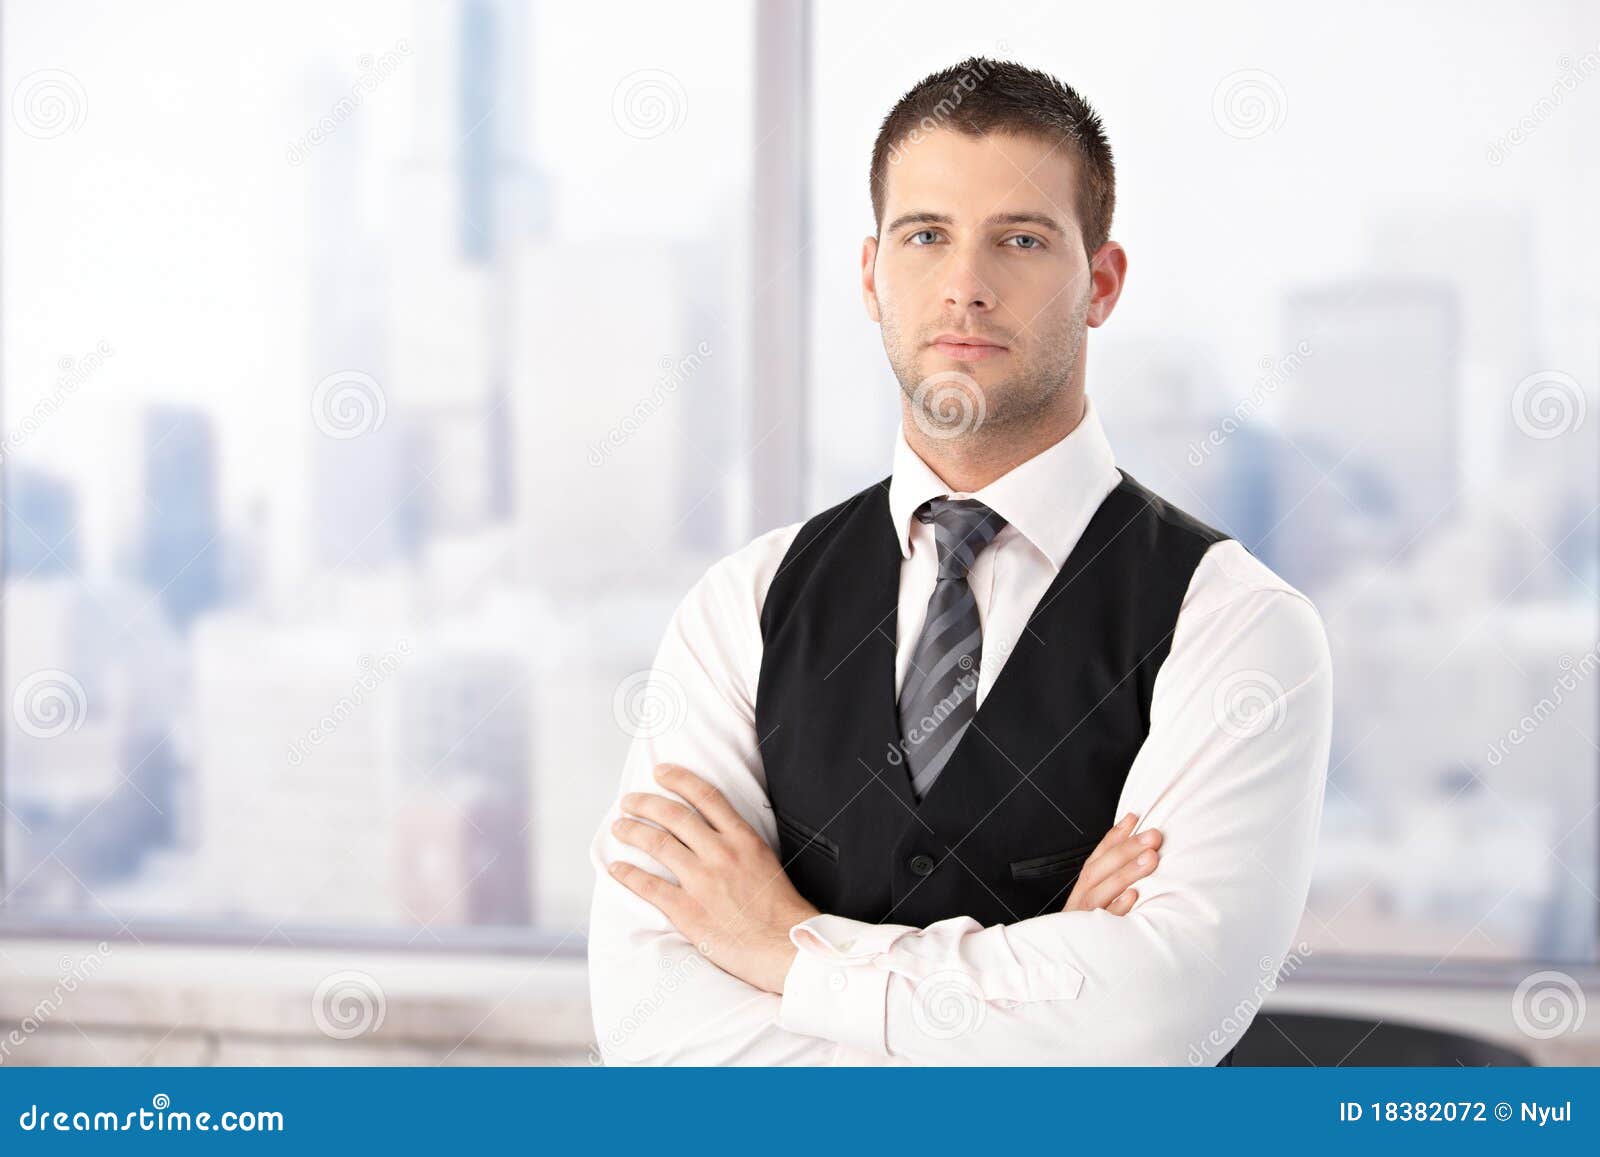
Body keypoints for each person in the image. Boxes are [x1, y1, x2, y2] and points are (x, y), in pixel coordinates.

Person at [586, 57, 1332, 1066]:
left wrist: (778, 945)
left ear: (1100, 283)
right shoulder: (745, 606)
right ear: (869, 273)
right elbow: (654, 1030)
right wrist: (1040, 982)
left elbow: (1151, 1023)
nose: (965, 287)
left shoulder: (1233, 624)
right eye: (925, 235)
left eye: (1019, 241)